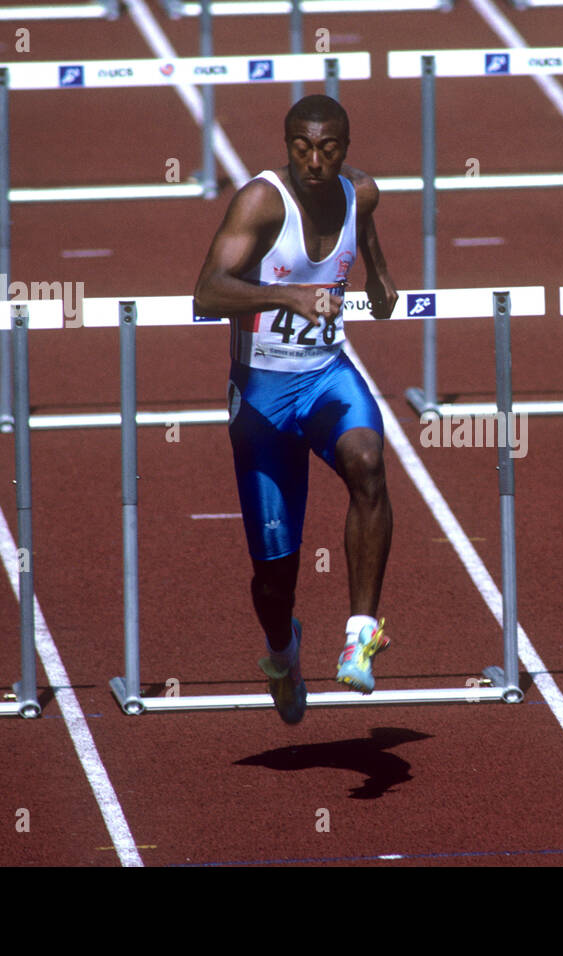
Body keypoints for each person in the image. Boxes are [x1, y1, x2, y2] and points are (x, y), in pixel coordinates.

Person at [194, 95, 398, 723]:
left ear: (346, 148)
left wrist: (382, 282)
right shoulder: (260, 201)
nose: (314, 161)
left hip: (326, 378)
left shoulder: (360, 192)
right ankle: (283, 651)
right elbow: (206, 291)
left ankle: (361, 632)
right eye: (302, 148)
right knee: (274, 579)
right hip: (263, 397)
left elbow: (368, 250)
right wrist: (288, 295)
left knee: (368, 463)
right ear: (287, 146)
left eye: (328, 148)